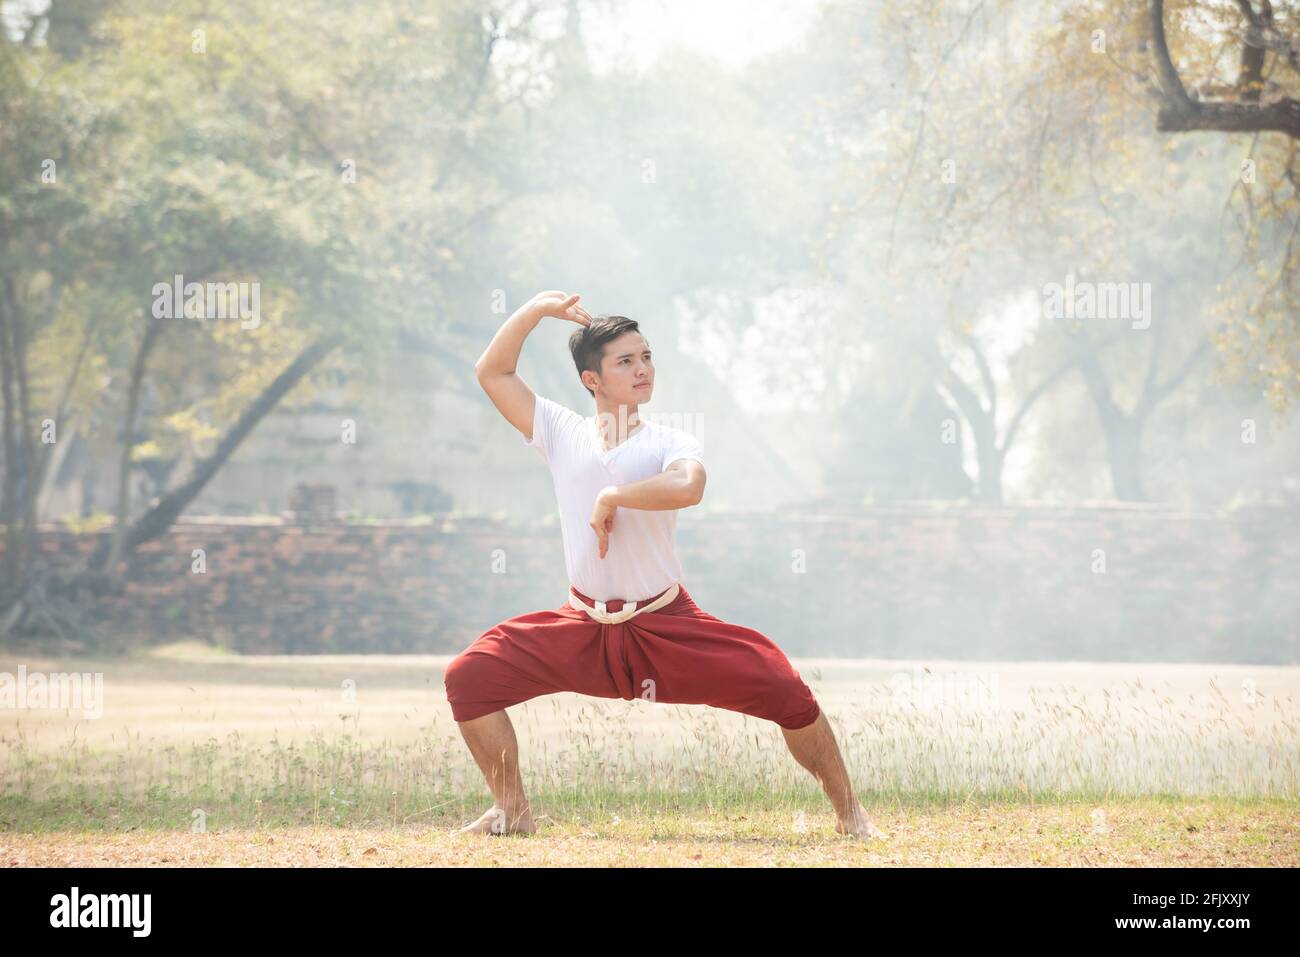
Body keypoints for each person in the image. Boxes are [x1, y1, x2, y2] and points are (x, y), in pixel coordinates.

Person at [445, 289, 885, 840]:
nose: (643, 369)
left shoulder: (670, 439)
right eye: (625, 361)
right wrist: (535, 311)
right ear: (592, 380)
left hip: (666, 623)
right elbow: (493, 371)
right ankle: (512, 809)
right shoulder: (560, 431)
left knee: (786, 691)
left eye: (647, 356)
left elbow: (688, 486)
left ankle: (849, 813)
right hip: (583, 626)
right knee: (471, 676)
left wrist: (614, 497)